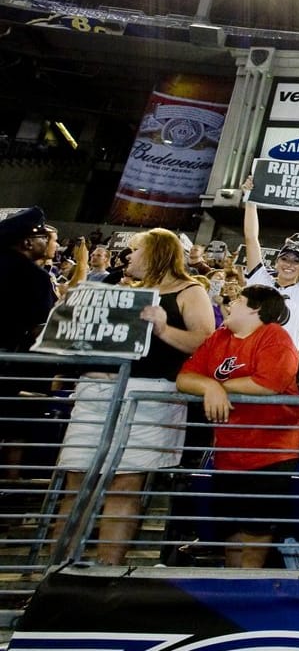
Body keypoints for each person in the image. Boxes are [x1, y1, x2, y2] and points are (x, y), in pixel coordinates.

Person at [56, 228, 216, 565]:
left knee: (126, 485)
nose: (129, 256)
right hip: (97, 395)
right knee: (77, 480)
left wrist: (163, 328)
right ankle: (59, 569)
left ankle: (107, 572)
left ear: (157, 252)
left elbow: (206, 344)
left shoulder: (190, 291)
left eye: (137, 250)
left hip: (151, 397)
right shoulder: (117, 288)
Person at [176, 285, 299, 568]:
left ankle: (247, 589)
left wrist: (216, 387)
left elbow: (268, 384)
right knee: (230, 531)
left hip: (270, 453)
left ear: (255, 309)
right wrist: (209, 386)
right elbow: (184, 378)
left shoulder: (275, 337)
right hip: (229, 452)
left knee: (255, 531)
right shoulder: (220, 337)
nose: (230, 303)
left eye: (238, 300)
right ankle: (231, 585)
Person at [0, 208, 60, 480]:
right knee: (13, 429)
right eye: (45, 238)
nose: (52, 244)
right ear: (27, 242)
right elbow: (40, 328)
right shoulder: (34, 277)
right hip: (13, 367)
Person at [241, 177, 299, 347]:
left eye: (296, 262)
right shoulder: (259, 280)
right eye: (285, 259)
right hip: (247, 353)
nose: (289, 264)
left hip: (281, 362)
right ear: (276, 263)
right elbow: (251, 238)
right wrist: (250, 199)